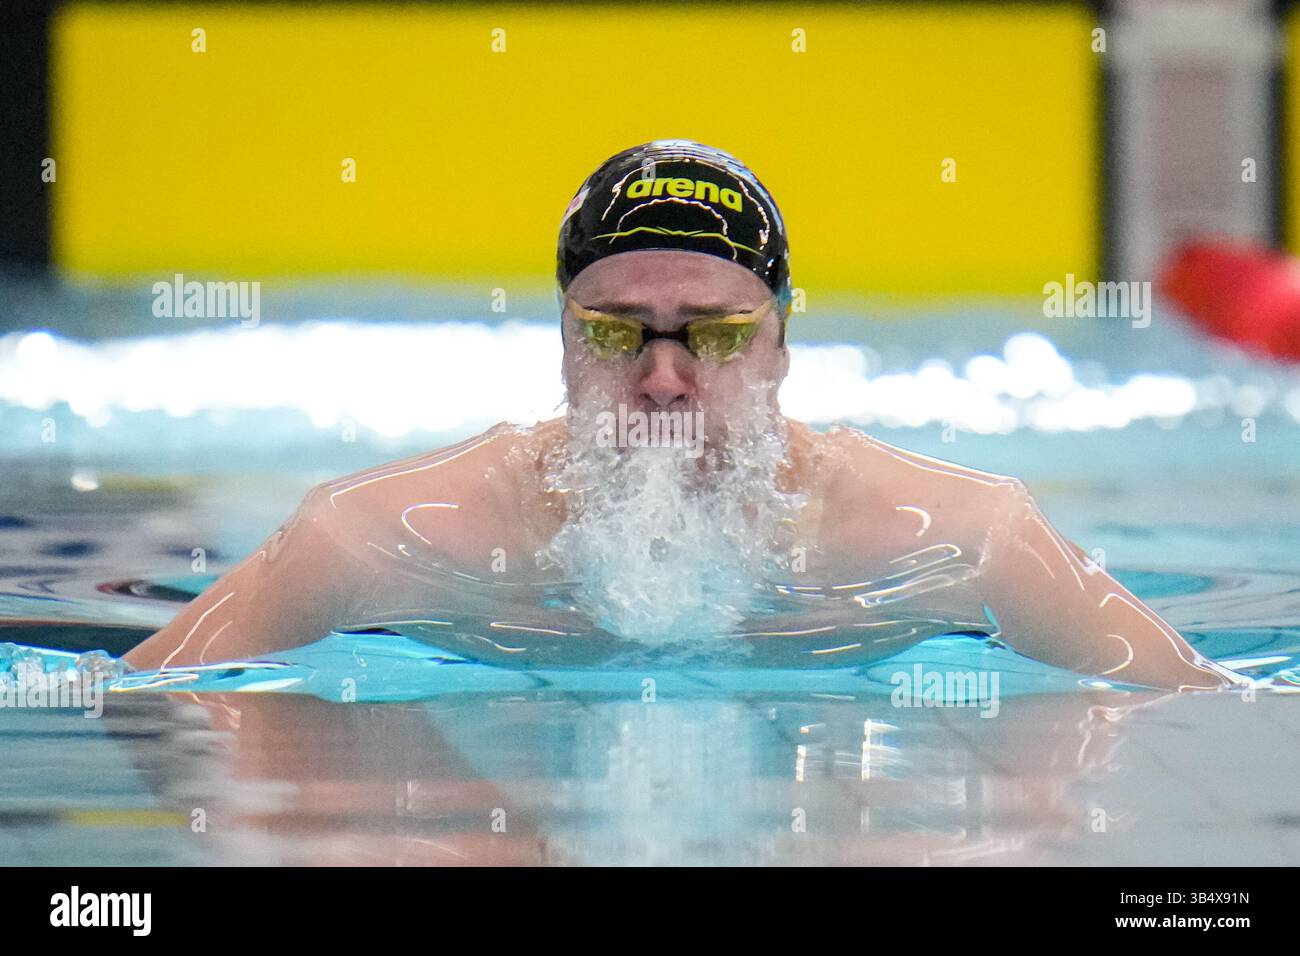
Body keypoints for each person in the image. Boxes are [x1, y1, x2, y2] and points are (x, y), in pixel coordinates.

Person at [124, 140, 1242, 691]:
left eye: (710, 333)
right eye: (616, 332)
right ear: (565, 344)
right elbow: (142, 709)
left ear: (781, 345)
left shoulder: (959, 534)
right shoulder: (381, 535)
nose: (662, 380)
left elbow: (1195, 708)